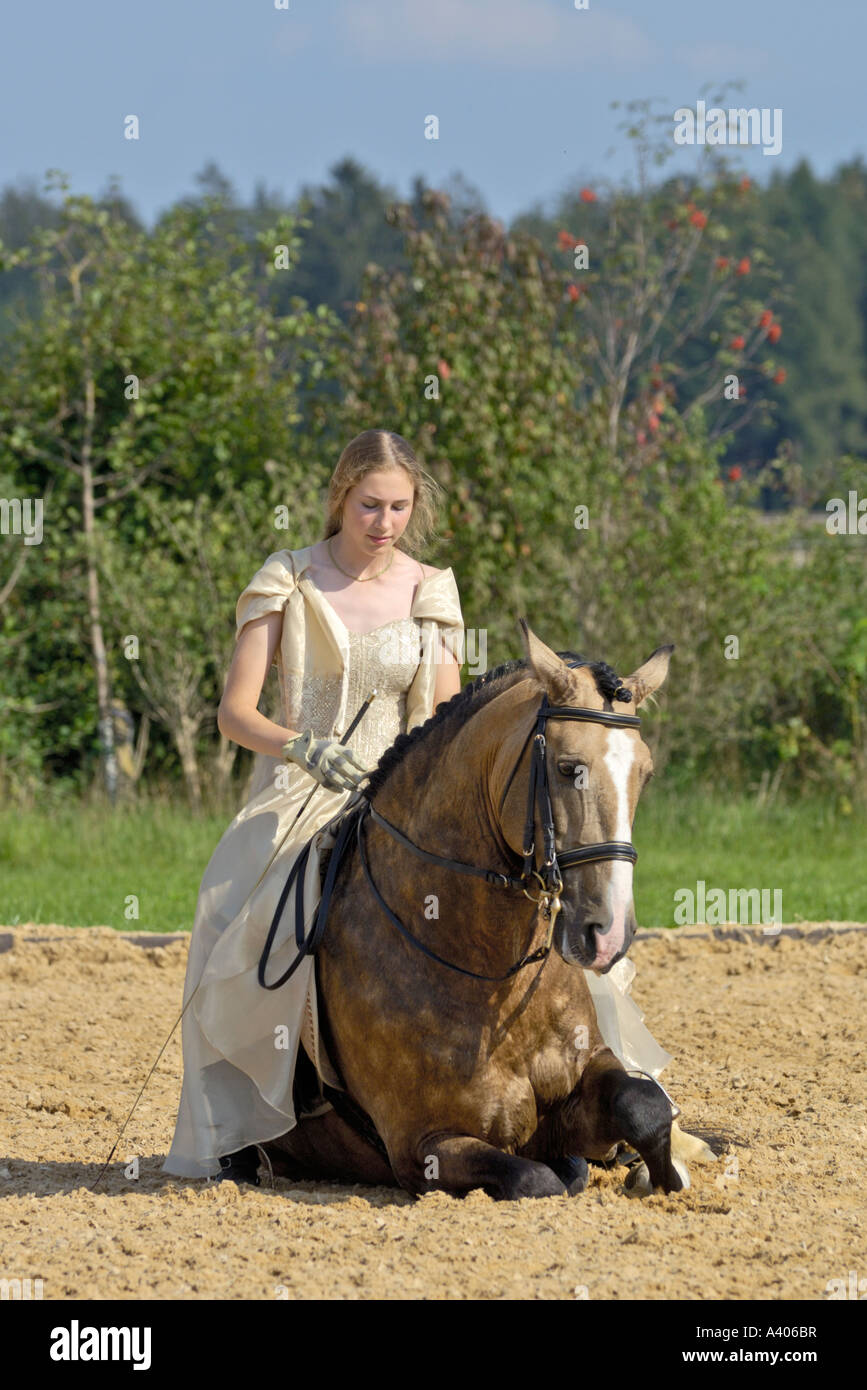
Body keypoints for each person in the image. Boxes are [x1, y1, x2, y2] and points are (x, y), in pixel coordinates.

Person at [162, 428, 676, 1186]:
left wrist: (409, 784)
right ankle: (242, 1117)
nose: (384, 521)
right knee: (233, 902)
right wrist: (299, 747)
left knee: (541, 893)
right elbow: (234, 713)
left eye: (399, 506)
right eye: (370, 505)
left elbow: (441, 717)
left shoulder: (430, 588)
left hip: (408, 785)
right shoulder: (287, 580)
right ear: (341, 497)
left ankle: (594, 1063)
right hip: (303, 783)